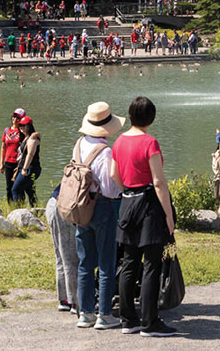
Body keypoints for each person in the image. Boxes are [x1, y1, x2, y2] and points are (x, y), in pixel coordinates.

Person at [113, 97, 177, 337]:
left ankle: (128, 319)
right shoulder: (151, 143)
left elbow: (113, 174)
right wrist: (168, 215)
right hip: (149, 204)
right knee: (152, 263)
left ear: (130, 115)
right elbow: (159, 181)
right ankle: (150, 323)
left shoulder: (118, 142)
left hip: (128, 203)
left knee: (129, 262)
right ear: (151, 117)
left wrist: (127, 192)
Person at [72, 103, 125, 330]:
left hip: (81, 206)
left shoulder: (79, 144)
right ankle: (104, 314)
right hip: (102, 206)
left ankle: (85, 313)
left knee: (85, 262)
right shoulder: (105, 152)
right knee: (106, 261)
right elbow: (109, 188)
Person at [45, 184, 80, 314]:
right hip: (65, 208)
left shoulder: (77, 164)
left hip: (53, 203)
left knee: (61, 256)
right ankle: (75, 301)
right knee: (70, 258)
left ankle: (64, 299)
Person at [11, 117, 42, 206]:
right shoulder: (26, 137)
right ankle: (36, 210)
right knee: (30, 191)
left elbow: (30, 155)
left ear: (29, 126)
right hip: (25, 168)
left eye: (23, 125)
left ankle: (17, 211)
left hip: (30, 169)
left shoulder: (32, 139)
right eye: (20, 125)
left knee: (15, 189)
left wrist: (24, 169)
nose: (21, 127)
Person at [0, 109, 26, 203]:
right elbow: (3, 147)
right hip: (8, 162)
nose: (15, 119)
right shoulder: (7, 130)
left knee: (19, 186)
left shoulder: (22, 132)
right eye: (14, 116)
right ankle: (10, 207)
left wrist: (21, 165)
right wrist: (1, 163)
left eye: (18, 117)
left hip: (18, 163)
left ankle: (20, 206)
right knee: (9, 187)